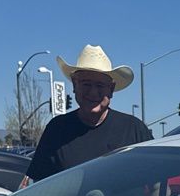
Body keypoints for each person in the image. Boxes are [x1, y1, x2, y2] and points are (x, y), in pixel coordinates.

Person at [22, 45, 152, 186]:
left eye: (100, 85)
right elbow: (40, 186)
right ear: (74, 85)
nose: (93, 92)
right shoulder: (56, 130)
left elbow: (156, 182)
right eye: (86, 84)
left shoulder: (134, 130)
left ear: (111, 89)